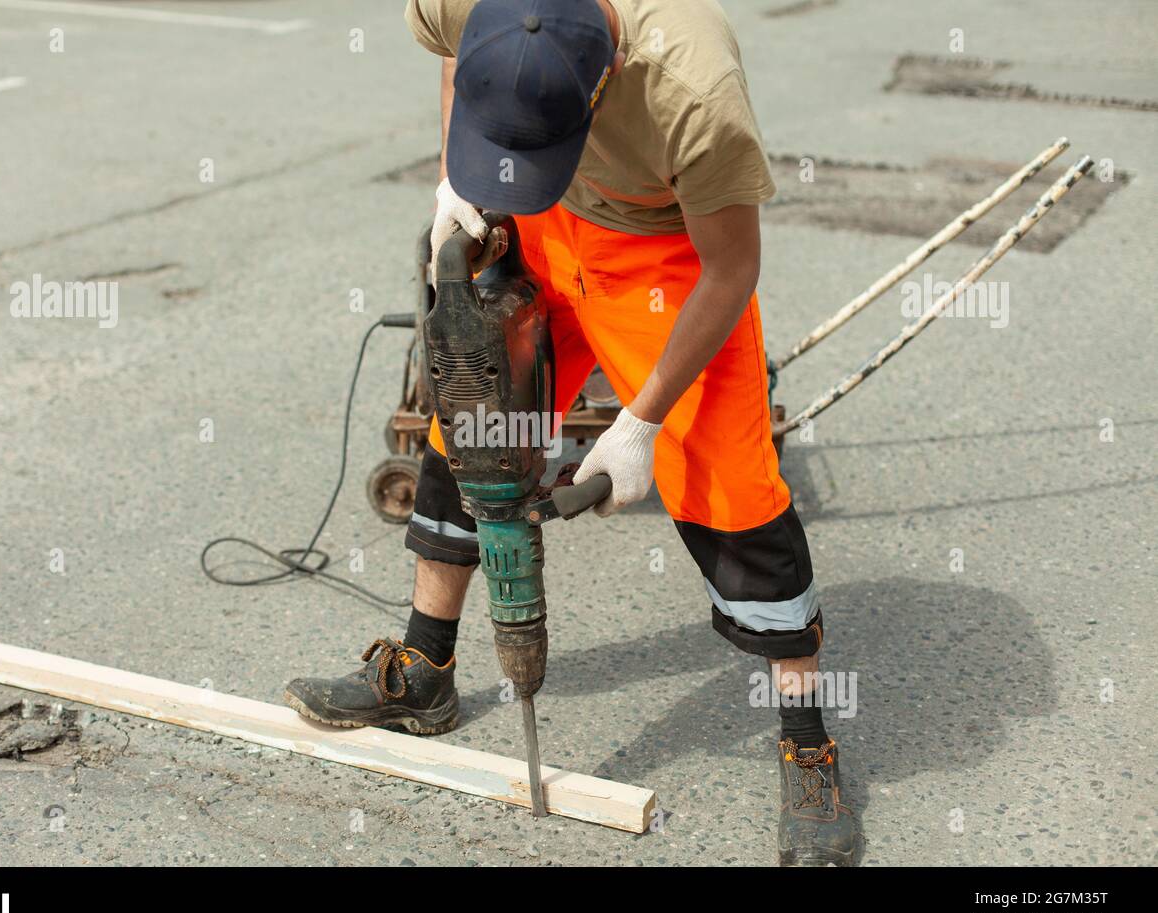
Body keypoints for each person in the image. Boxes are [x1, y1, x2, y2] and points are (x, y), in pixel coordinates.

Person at [286, 0, 860, 866]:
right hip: (544, 225)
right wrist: (458, 181)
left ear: (604, 80)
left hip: (666, 258)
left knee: (732, 488)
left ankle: (807, 741)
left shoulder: (693, 87)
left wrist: (641, 423)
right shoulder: (466, 4)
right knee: (469, 426)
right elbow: (451, 54)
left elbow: (734, 266)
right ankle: (424, 672)